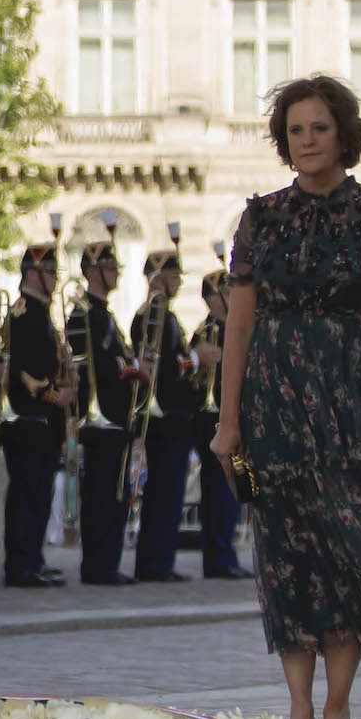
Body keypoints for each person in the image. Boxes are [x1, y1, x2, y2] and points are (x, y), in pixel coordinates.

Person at [210, 74, 361, 719]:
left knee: (353, 555)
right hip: (272, 403)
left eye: (318, 128)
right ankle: (298, 707)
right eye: (295, 130)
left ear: (343, 134)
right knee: (287, 556)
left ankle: (337, 705)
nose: (306, 141)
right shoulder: (259, 219)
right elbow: (237, 329)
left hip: (351, 399)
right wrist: (227, 419)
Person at [67, 238, 137, 584]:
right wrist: (131, 368)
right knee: (101, 497)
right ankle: (97, 565)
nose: (116, 275)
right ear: (93, 270)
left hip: (115, 418)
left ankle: (108, 562)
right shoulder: (82, 313)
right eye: (110, 268)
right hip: (99, 420)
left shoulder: (104, 314)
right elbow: (92, 363)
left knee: (115, 495)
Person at [133, 240, 199, 581]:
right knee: (163, 494)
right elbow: (163, 363)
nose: (179, 283)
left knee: (169, 494)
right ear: (158, 278)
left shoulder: (164, 314)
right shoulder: (153, 313)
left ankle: (161, 559)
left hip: (173, 416)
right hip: (164, 417)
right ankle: (155, 561)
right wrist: (197, 361)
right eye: (174, 276)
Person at [195, 269, 251, 580]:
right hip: (213, 422)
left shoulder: (238, 329)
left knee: (241, 489)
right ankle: (218, 557)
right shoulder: (207, 332)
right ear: (212, 298)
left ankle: (228, 552)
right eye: (224, 294)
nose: (231, 299)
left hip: (239, 420)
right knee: (218, 492)